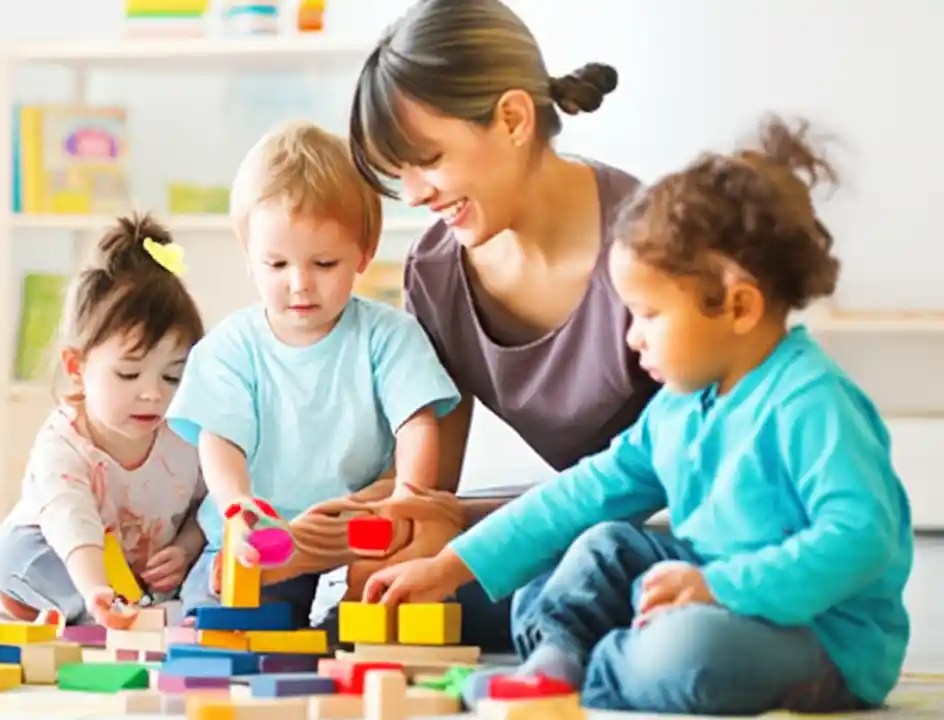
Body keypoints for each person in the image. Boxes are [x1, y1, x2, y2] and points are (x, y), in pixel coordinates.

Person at [362, 115, 913, 715]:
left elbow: (860, 539)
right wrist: (451, 566)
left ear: (738, 306)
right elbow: (582, 494)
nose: (632, 338)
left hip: (821, 638)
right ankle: (555, 659)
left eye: (648, 315)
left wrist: (718, 589)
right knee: (597, 546)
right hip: (709, 586)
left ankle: (585, 665)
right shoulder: (680, 407)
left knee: (692, 651)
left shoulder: (810, 402)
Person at [347, 0, 662, 650]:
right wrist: (344, 519)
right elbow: (433, 488)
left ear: (514, 118)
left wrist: (461, 528)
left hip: (670, 525)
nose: (413, 195)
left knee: (590, 565)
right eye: (396, 172)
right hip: (567, 524)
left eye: (427, 159)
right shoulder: (436, 272)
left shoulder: (655, 241)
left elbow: (678, 475)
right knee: (376, 577)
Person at [166, 120, 460, 628]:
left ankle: (341, 619)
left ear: (363, 255)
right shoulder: (229, 349)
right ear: (250, 260)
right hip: (267, 535)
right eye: (277, 264)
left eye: (324, 263)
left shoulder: (389, 336)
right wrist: (237, 503)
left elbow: (417, 421)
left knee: (397, 608)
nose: (300, 284)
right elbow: (221, 441)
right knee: (233, 617)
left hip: (358, 527)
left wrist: (409, 495)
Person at [0, 215, 207, 627]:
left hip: (145, 575)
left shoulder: (186, 430)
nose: (154, 393)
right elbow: (71, 522)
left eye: (173, 375)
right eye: (128, 374)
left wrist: (188, 547)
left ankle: (147, 610)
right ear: (76, 367)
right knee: (9, 554)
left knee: (220, 562)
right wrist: (94, 589)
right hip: (67, 558)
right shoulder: (63, 443)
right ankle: (101, 611)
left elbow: (208, 502)